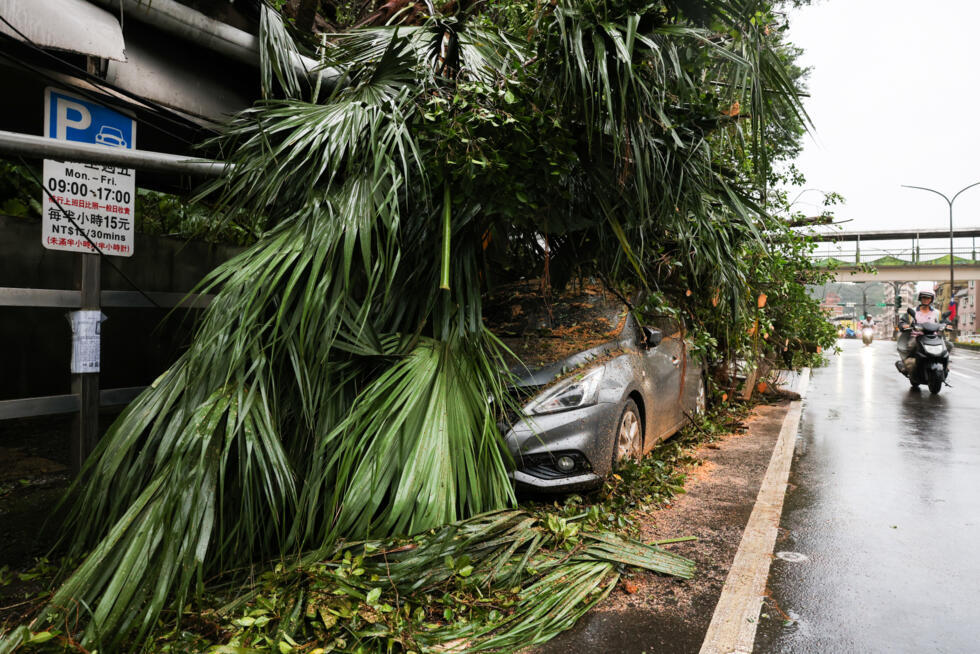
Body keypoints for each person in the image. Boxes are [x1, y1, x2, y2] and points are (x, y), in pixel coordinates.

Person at [897, 290, 942, 374]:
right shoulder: (913, 311)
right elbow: (902, 321)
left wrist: (947, 324)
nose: (926, 299)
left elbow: (943, 322)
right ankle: (905, 365)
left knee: (948, 345)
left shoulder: (937, 313)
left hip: (934, 338)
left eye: (928, 298)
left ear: (931, 299)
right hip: (917, 337)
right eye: (924, 297)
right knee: (911, 346)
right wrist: (903, 325)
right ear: (920, 299)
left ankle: (945, 365)